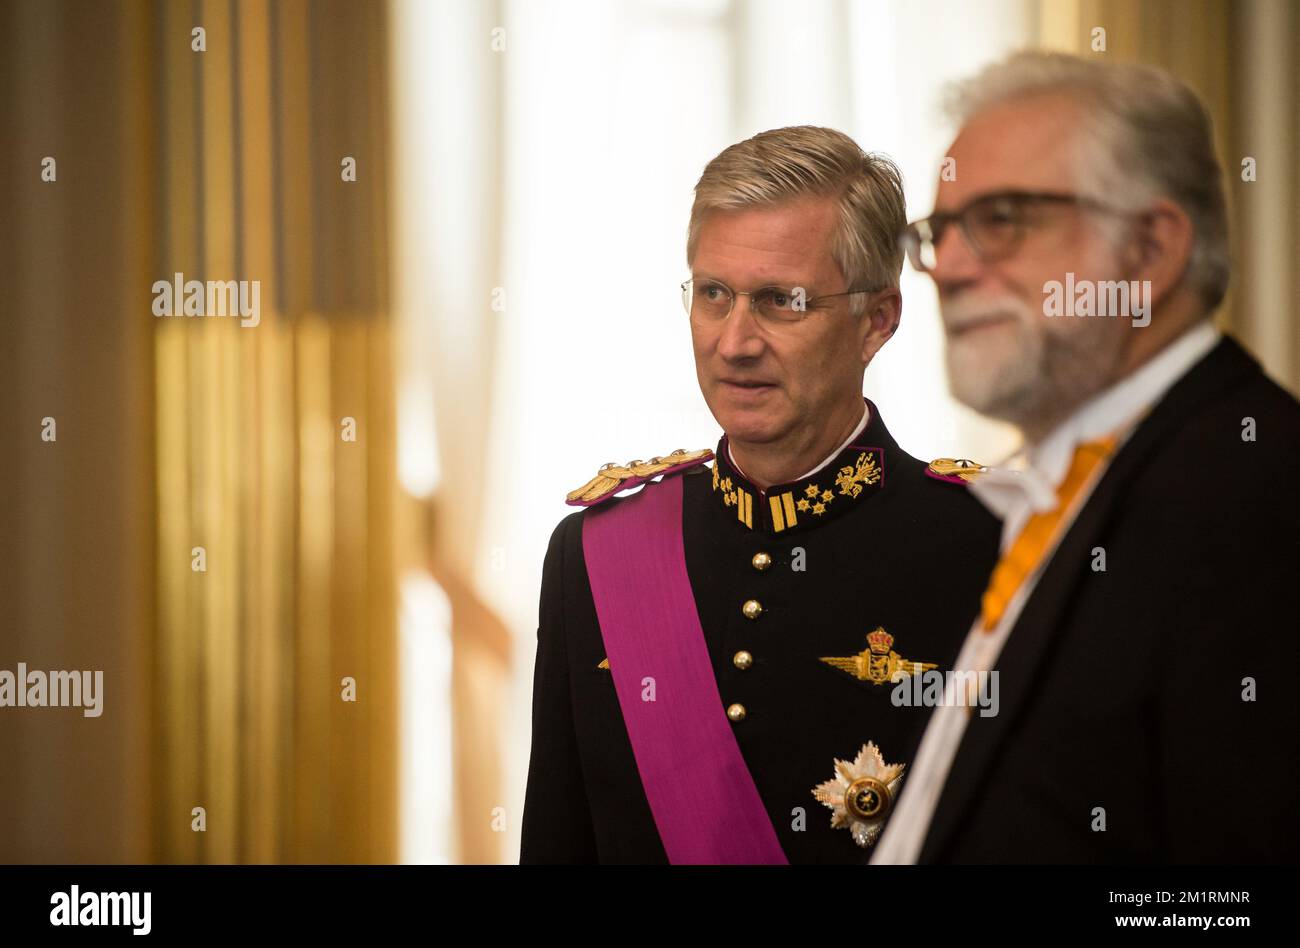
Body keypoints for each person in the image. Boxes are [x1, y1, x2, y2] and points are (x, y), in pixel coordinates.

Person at [520, 125, 1001, 863]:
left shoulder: (989, 549)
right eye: (714, 294)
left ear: (877, 320)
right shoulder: (593, 554)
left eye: (782, 301)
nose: (735, 341)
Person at [871, 51, 1300, 864]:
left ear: (1149, 250)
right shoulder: (1063, 484)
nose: (950, 268)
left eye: (1002, 219)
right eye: (938, 232)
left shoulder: (1256, 497)